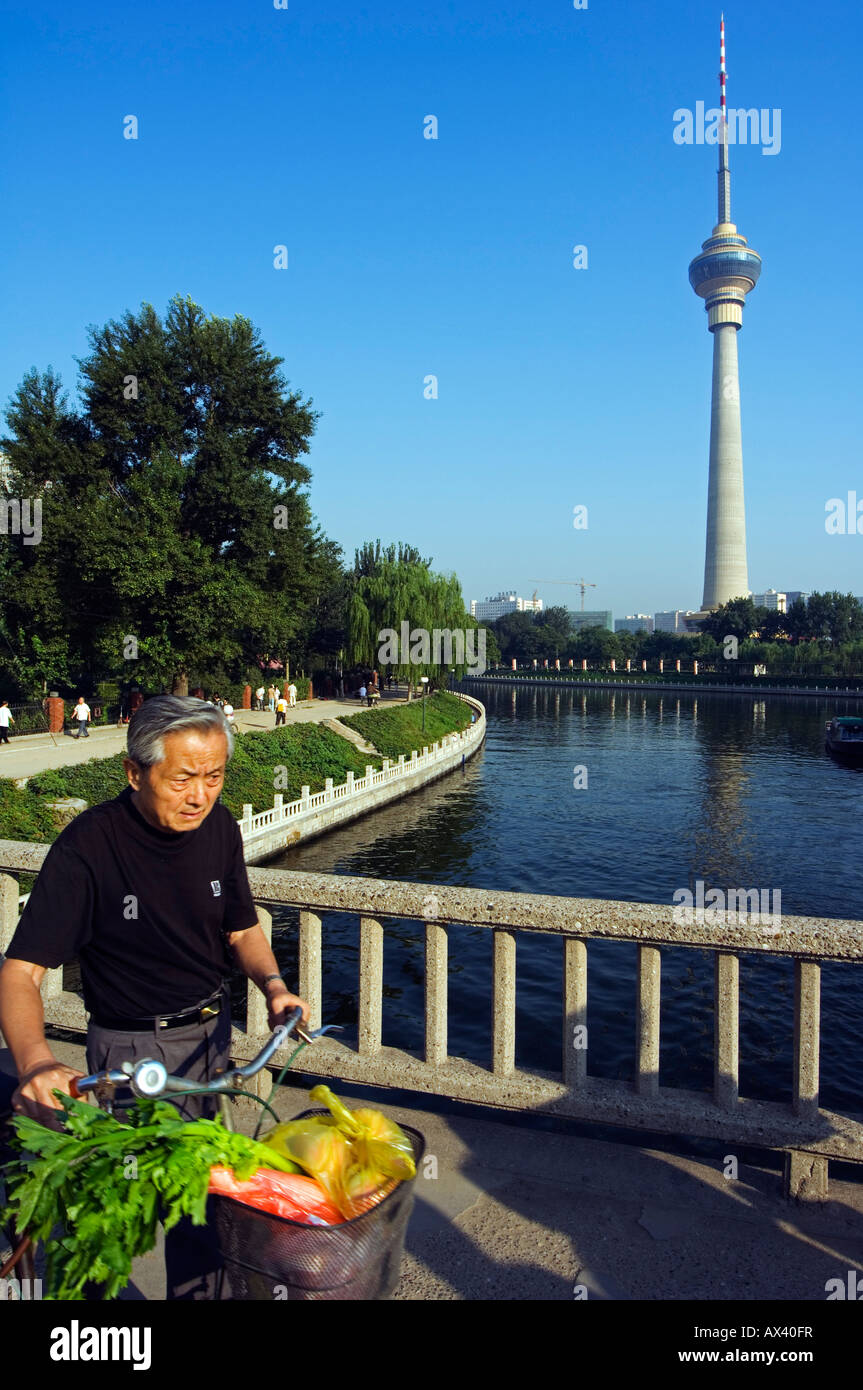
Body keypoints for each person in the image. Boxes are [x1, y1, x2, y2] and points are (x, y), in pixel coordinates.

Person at [0, 695, 309, 1300]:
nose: (201, 796)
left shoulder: (219, 827)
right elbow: (20, 972)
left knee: (206, 1203)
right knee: (116, 1210)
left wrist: (273, 986)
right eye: (184, 779)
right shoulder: (89, 845)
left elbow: (242, 929)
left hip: (211, 1040)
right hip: (127, 1048)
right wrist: (36, 1062)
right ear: (135, 772)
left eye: (215, 777)